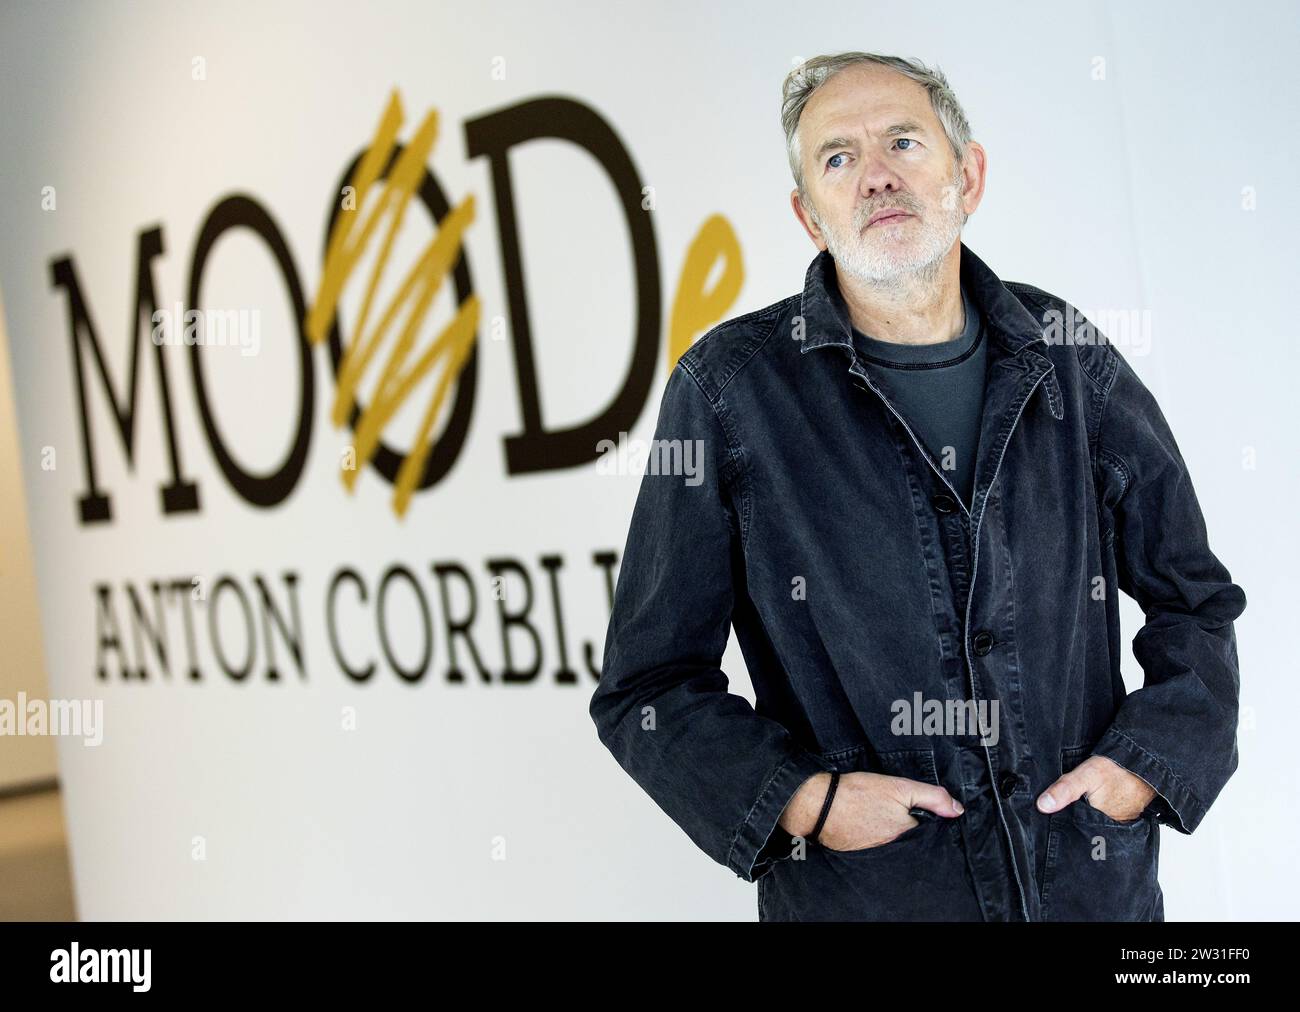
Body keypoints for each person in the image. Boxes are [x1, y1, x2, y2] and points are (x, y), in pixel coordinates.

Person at [588, 51, 1245, 921]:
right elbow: (649, 686)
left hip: (1092, 899)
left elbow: (1194, 599)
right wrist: (805, 803)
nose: (875, 178)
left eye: (904, 140)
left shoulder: (1068, 355)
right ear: (807, 216)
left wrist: (1143, 767)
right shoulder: (730, 390)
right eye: (837, 158)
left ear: (967, 175)